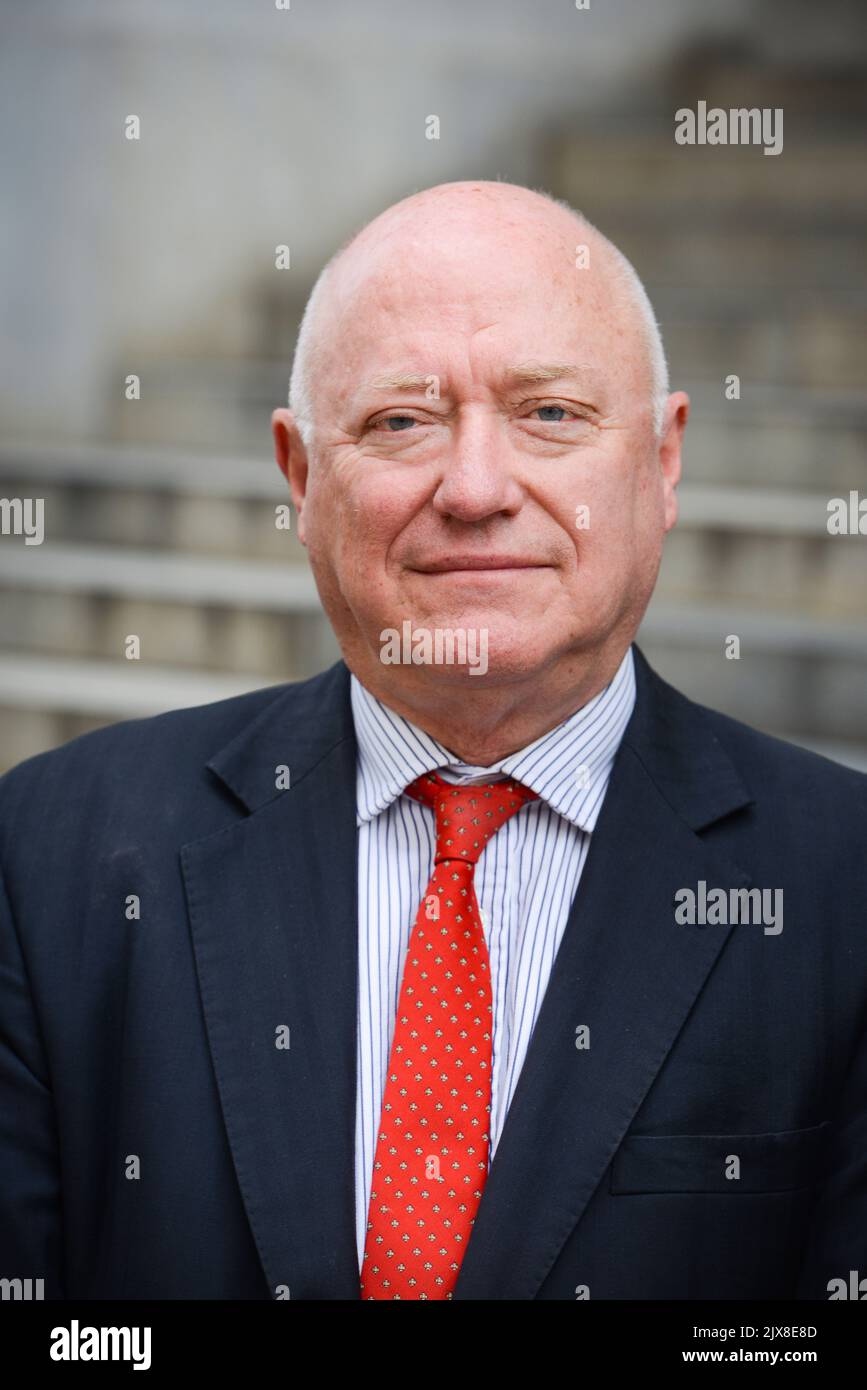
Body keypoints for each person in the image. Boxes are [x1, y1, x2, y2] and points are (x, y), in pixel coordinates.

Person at [0, 181, 864, 1301]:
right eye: (401, 421)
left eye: (551, 413)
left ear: (661, 461)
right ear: (302, 478)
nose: (474, 488)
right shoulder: (53, 856)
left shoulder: (842, 886)